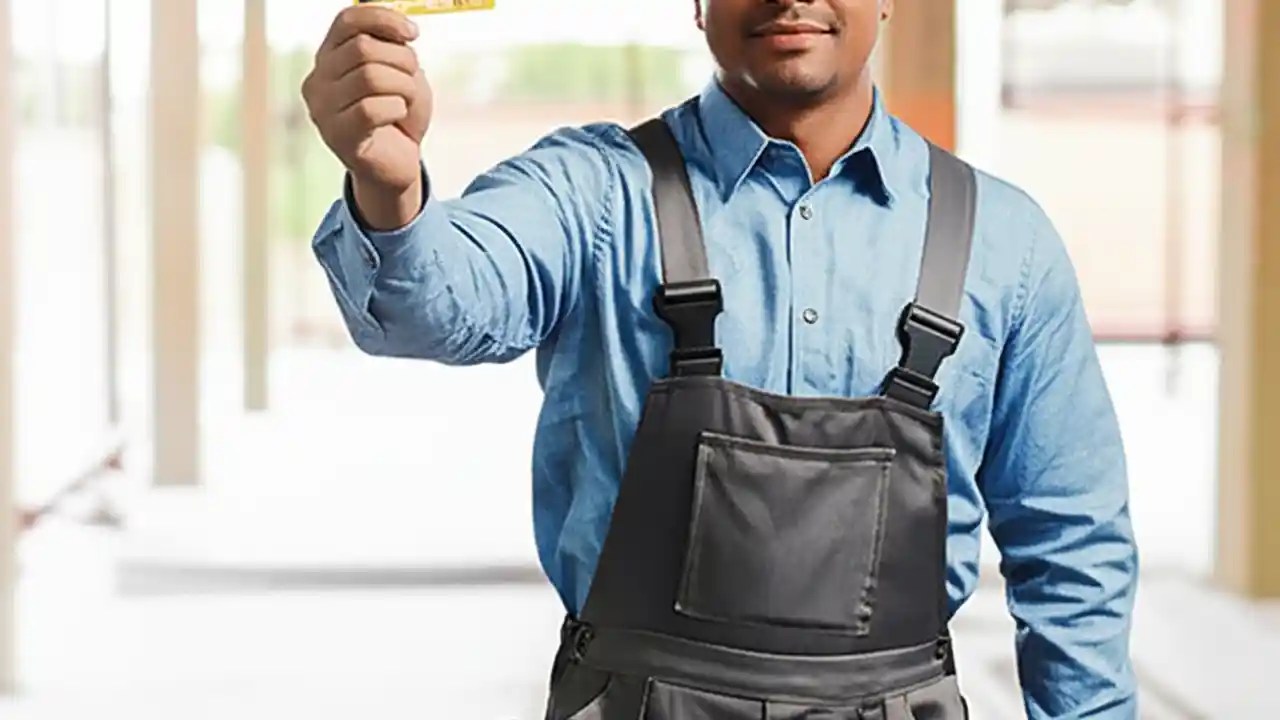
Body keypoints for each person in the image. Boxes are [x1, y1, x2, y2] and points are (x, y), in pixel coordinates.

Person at [301, 1, 1140, 717]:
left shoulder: (1005, 241)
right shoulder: (595, 193)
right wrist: (391, 191)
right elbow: (439, 306)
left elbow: (1073, 547)